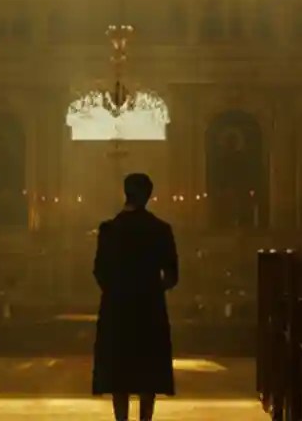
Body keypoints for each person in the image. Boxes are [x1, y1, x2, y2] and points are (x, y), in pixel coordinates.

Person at [92, 172, 179, 421]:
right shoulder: (161, 230)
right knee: (147, 373)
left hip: (117, 308)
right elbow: (172, 275)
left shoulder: (110, 230)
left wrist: (116, 291)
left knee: (119, 373)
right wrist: (151, 290)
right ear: (148, 196)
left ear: (125, 193)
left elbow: (99, 270)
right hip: (149, 309)